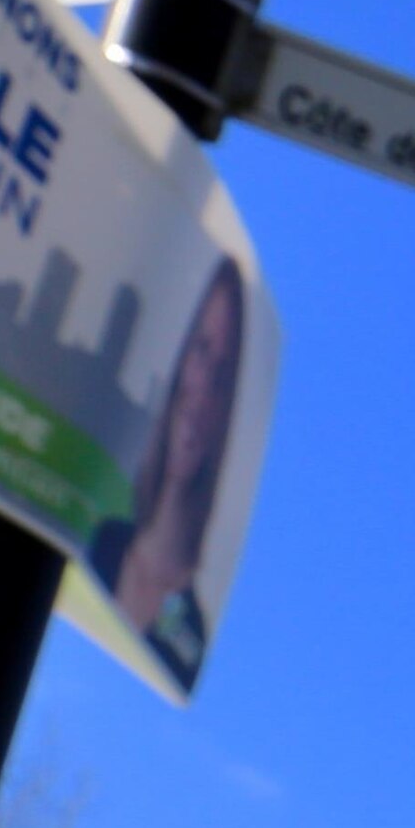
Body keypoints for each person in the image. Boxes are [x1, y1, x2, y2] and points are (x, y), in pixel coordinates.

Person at [91, 252, 244, 688]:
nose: (202, 391)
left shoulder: (190, 639)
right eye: (201, 351)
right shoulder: (98, 543)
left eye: (223, 375)